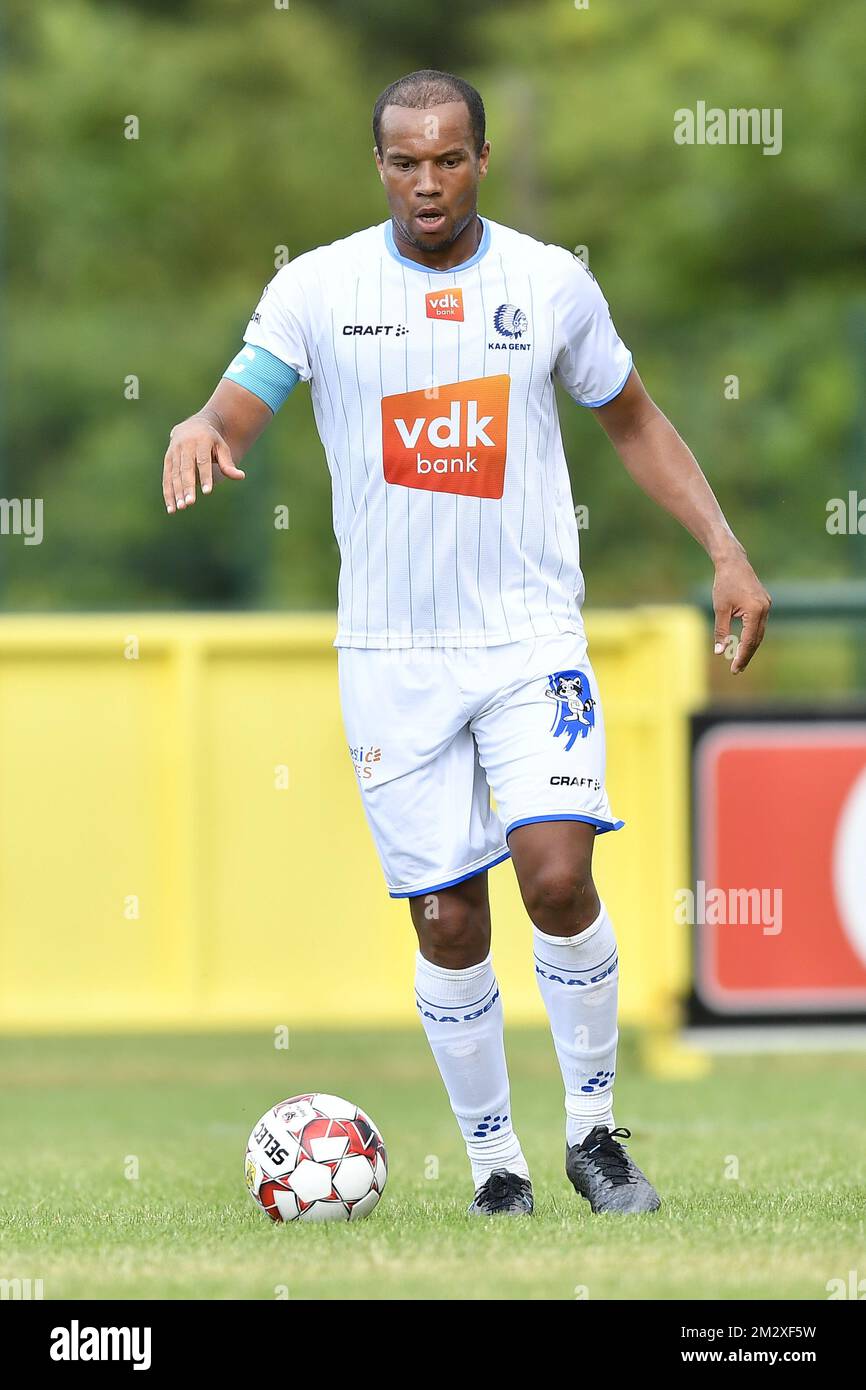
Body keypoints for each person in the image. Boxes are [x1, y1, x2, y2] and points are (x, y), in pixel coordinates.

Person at [162, 69, 771, 1217]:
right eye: (404, 161)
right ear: (378, 165)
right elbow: (241, 400)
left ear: (479, 159)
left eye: (448, 159)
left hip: (526, 635)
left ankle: (593, 1135)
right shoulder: (317, 287)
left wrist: (724, 547)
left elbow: (630, 417)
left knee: (554, 874)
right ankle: (498, 1167)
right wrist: (201, 422)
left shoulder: (548, 284)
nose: (426, 181)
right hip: (391, 652)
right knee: (448, 917)